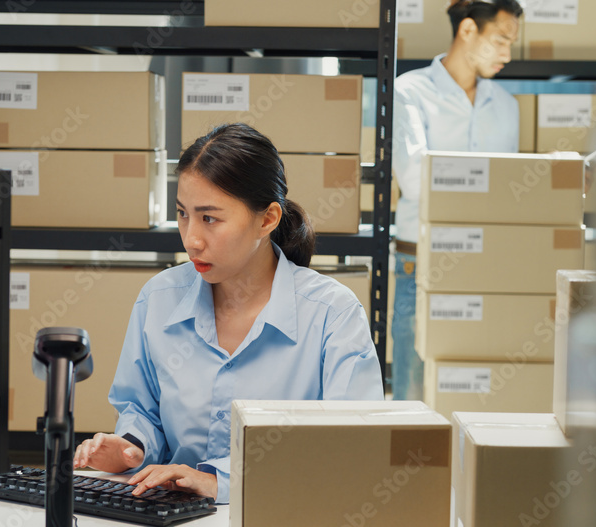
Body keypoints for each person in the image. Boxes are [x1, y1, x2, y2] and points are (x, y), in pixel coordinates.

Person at [72, 123, 384, 504]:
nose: (191, 239)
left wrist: (221, 481)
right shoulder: (159, 298)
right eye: (183, 214)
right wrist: (130, 447)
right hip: (173, 515)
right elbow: (142, 410)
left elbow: (351, 449)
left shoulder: (332, 314)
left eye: (210, 218)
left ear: (267, 219)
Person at [391, 0, 523, 400]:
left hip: (489, 265)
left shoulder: (506, 105)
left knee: (477, 389)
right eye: (500, 40)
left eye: (511, 43)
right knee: (414, 389)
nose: (507, 54)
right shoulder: (409, 92)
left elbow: (512, 193)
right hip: (423, 259)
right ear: (468, 31)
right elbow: (415, 180)